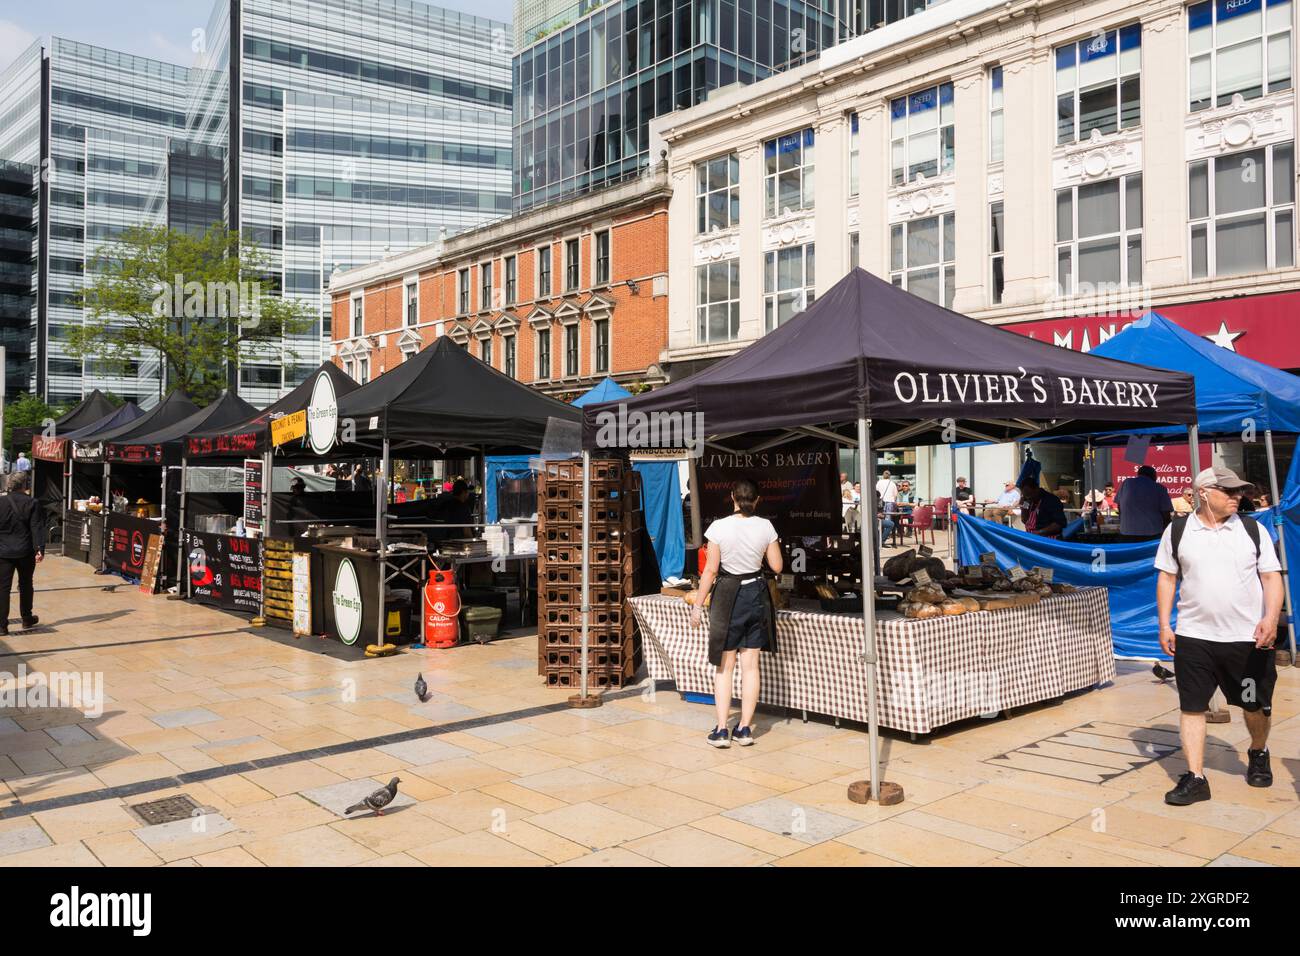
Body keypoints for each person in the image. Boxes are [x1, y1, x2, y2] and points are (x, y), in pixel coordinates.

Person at [1156, 467, 1281, 806]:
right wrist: (1165, 625)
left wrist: (1270, 618)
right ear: (1203, 492)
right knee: (1192, 706)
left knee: (1254, 704)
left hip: (1246, 639)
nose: (1237, 496)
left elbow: (1271, 578)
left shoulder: (1253, 530)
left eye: (1239, 490)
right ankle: (1196, 777)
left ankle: (1258, 750)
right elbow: (1167, 578)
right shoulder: (1178, 531)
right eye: (1228, 491)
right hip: (1194, 636)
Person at [691, 478, 782, 749]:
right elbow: (776, 566)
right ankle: (744, 729)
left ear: (732, 497)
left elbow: (711, 570)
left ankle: (721, 730)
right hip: (755, 592)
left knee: (724, 666)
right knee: (751, 666)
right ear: (757, 500)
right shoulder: (766, 526)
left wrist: (697, 605)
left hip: (727, 594)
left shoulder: (718, 527)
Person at [0, 472, 45, 635]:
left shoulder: (1, 502)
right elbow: (36, 527)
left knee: (2, 588)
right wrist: (39, 549)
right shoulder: (32, 503)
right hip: (25, 551)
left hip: (3, 552)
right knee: (26, 584)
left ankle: (2, 625)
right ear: (24, 485)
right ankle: (26, 618)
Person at [1116, 465, 1173, 539]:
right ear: (1154, 476)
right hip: (1152, 534)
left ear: (1139, 474)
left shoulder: (1126, 483)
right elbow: (1166, 514)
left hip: (1127, 532)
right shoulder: (1160, 488)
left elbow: (1119, 506)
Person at [428, 478, 475, 545]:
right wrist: (473, 544)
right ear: (463, 492)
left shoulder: (445, 504)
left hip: (443, 542)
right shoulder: (463, 508)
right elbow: (467, 531)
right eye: (467, 492)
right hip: (459, 544)